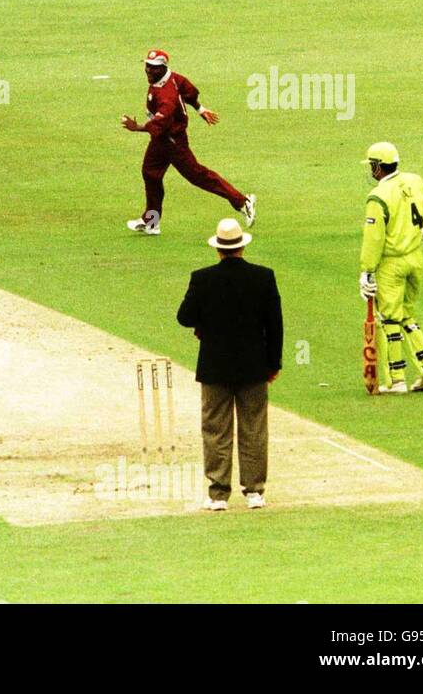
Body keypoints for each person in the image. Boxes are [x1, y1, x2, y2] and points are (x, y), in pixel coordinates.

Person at [177, 218, 282, 511]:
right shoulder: (264, 277)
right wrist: (273, 363)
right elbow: (275, 325)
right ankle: (254, 492)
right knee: (254, 429)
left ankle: (218, 494)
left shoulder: (202, 278)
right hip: (253, 365)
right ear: (241, 247)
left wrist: (205, 323)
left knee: (215, 430)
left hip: (214, 366)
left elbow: (184, 317)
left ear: (218, 249)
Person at [122, 49, 255, 235]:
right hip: (161, 140)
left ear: (163, 68)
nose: (149, 71)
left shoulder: (166, 96)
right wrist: (201, 110)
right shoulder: (173, 78)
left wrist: (137, 127)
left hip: (172, 141)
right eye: (147, 66)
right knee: (151, 174)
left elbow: (161, 122)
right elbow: (189, 92)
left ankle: (242, 202)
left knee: (197, 175)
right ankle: (151, 222)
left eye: (154, 68)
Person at [359, 142, 423, 394]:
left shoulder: (377, 197)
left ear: (377, 167)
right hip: (415, 258)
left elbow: (373, 239)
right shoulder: (415, 180)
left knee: (389, 318)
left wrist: (366, 271)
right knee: (407, 313)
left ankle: (396, 380)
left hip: (392, 264)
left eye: (371, 166)